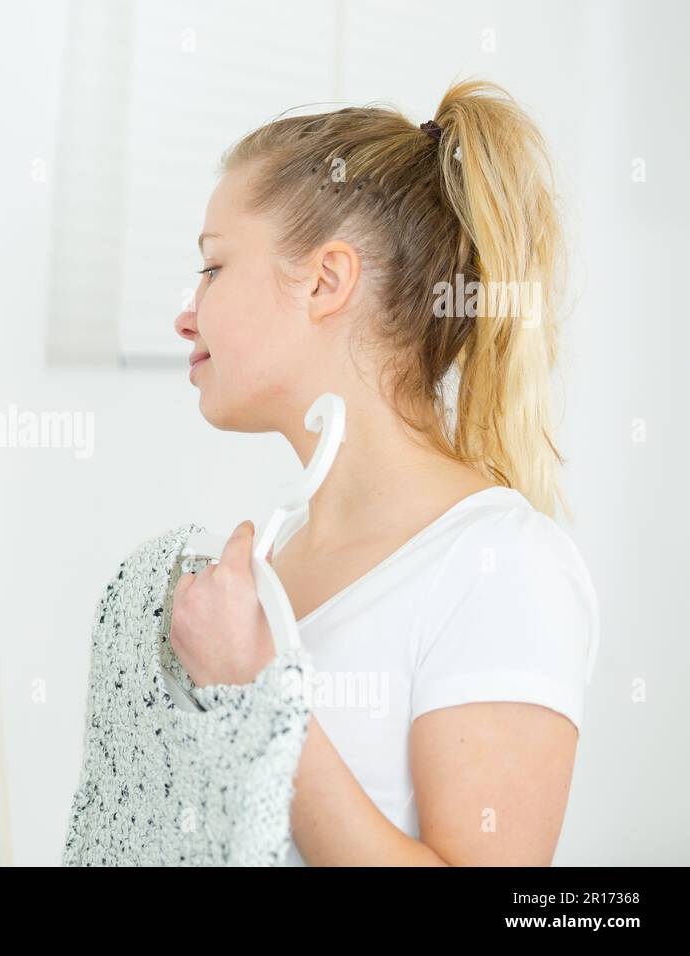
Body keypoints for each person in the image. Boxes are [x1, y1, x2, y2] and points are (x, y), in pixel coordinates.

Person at [169, 78, 599, 866]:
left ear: (326, 282)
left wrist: (261, 692)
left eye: (214, 267)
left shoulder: (504, 566)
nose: (186, 313)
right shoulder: (283, 556)